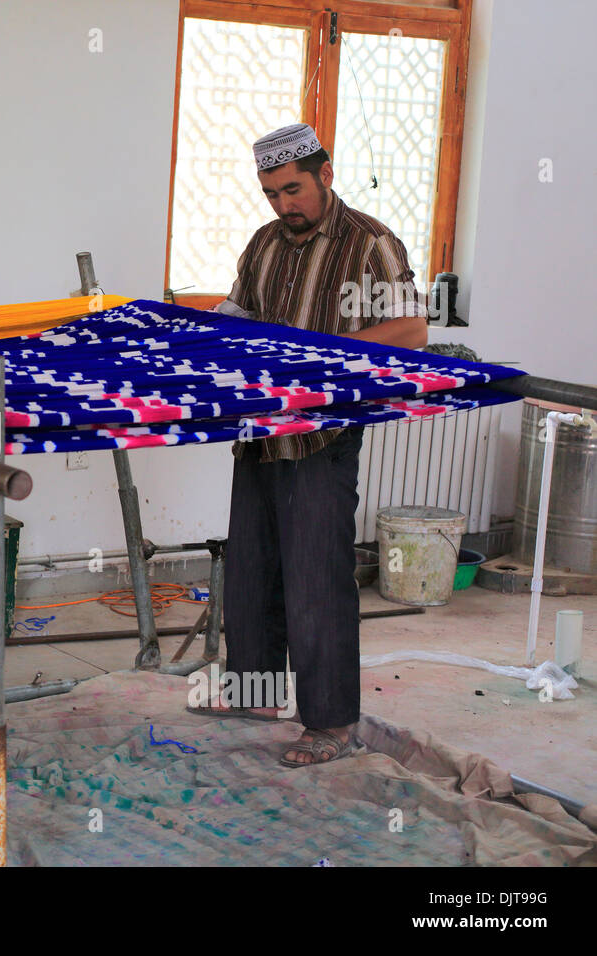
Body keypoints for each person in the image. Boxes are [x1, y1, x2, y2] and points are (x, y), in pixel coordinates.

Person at [194, 123, 428, 766]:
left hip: (323, 436)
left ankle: (331, 722)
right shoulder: (264, 245)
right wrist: (214, 326)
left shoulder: (368, 243)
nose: (283, 205)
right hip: (261, 433)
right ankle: (257, 695)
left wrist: (322, 358)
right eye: (271, 194)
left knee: (317, 578)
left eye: (292, 190)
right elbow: (243, 311)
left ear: (326, 175)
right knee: (253, 569)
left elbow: (411, 328)